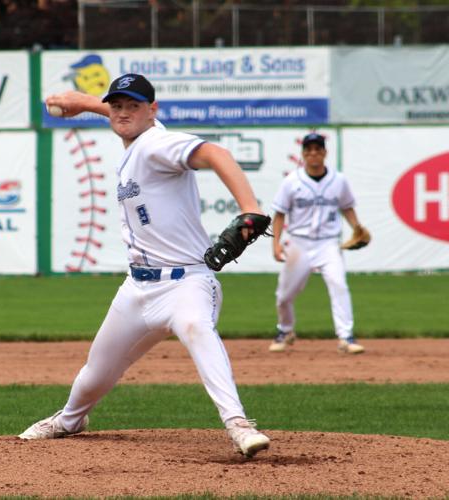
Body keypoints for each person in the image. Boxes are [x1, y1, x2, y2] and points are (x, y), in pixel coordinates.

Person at [19, 73, 271, 458]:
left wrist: (250, 208)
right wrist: (84, 102)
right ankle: (70, 421)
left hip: (186, 282)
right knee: (94, 374)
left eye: (134, 105)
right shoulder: (139, 138)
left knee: (195, 327)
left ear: (153, 111)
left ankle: (237, 424)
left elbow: (217, 154)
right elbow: (121, 117)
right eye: (116, 105)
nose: (122, 113)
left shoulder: (157, 143)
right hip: (137, 289)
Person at [268, 132, 366, 355]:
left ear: (325, 152)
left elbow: (347, 207)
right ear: (303, 154)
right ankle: (285, 330)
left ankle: (346, 337)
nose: (313, 154)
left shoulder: (338, 180)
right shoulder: (292, 182)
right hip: (299, 244)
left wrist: (357, 227)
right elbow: (280, 214)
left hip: (328, 243)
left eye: (318, 149)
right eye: (309, 150)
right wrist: (275, 244)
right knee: (284, 295)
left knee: (339, 285)